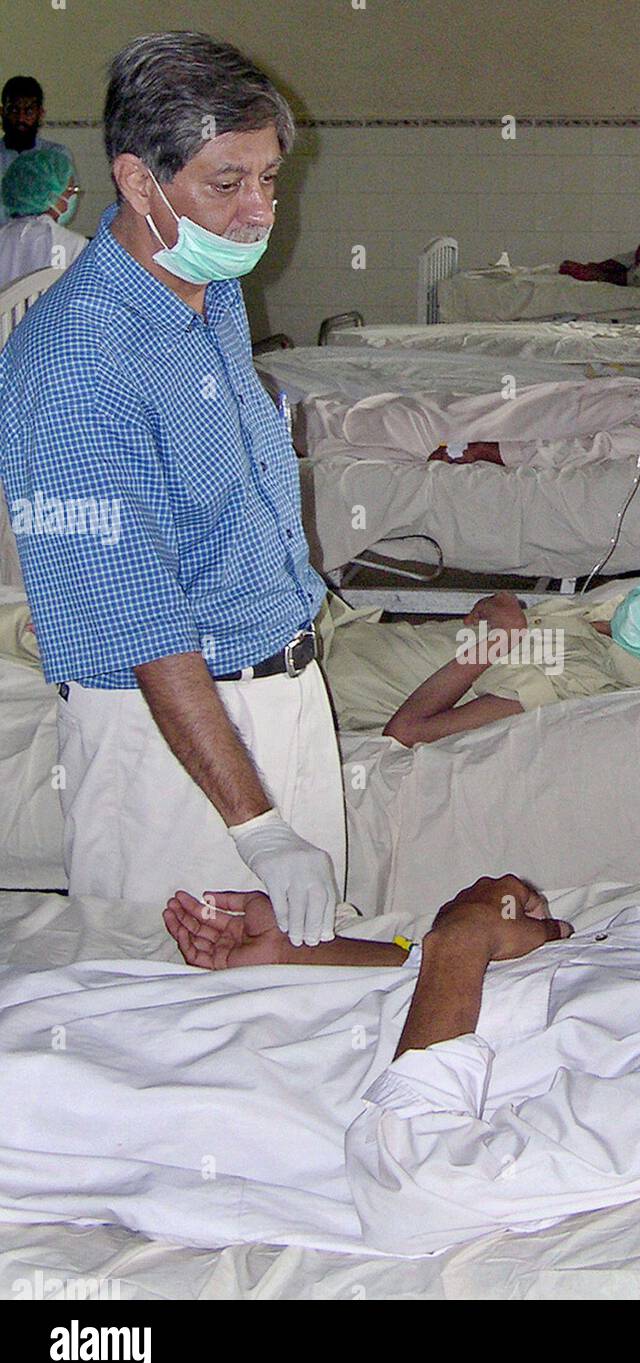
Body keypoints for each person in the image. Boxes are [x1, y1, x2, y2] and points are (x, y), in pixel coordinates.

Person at [5, 760, 640, 1256]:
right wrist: (308, 952)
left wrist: (456, 941)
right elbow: (507, 987)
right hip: (261, 1024)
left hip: (268, 1117)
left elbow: (423, 1194)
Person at [0, 33, 355, 946]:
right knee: (169, 1039)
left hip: (281, 699)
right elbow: (140, 619)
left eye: (270, 178)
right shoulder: (78, 356)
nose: (259, 211)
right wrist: (259, 827)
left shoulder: (211, 297)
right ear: (135, 179)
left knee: (301, 1018)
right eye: (226, 182)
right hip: (171, 754)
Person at [319, 533, 640, 744]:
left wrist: (498, 637)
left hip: (323, 681)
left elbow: (408, 733)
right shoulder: (611, 625)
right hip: (341, 632)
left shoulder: (582, 681)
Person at [310, 329, 640, 468]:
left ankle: (283, 428)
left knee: (382, 422)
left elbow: (589, 451)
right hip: (489, 410)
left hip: (484, 431)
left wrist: (489, 452)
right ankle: (288, 427)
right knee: (389, 412)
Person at [0, 145, 87, 289]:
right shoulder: (73, 245)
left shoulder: (3, 237)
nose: (73, 196)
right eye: (70, 189)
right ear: (51, 193)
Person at [0, 76, 74, 225]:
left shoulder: (56, 157)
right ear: (2, 112)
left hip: (43, 241)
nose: (21, 118)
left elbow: (64, 205)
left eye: (28, 111)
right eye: (14, 110)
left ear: (40, 114)